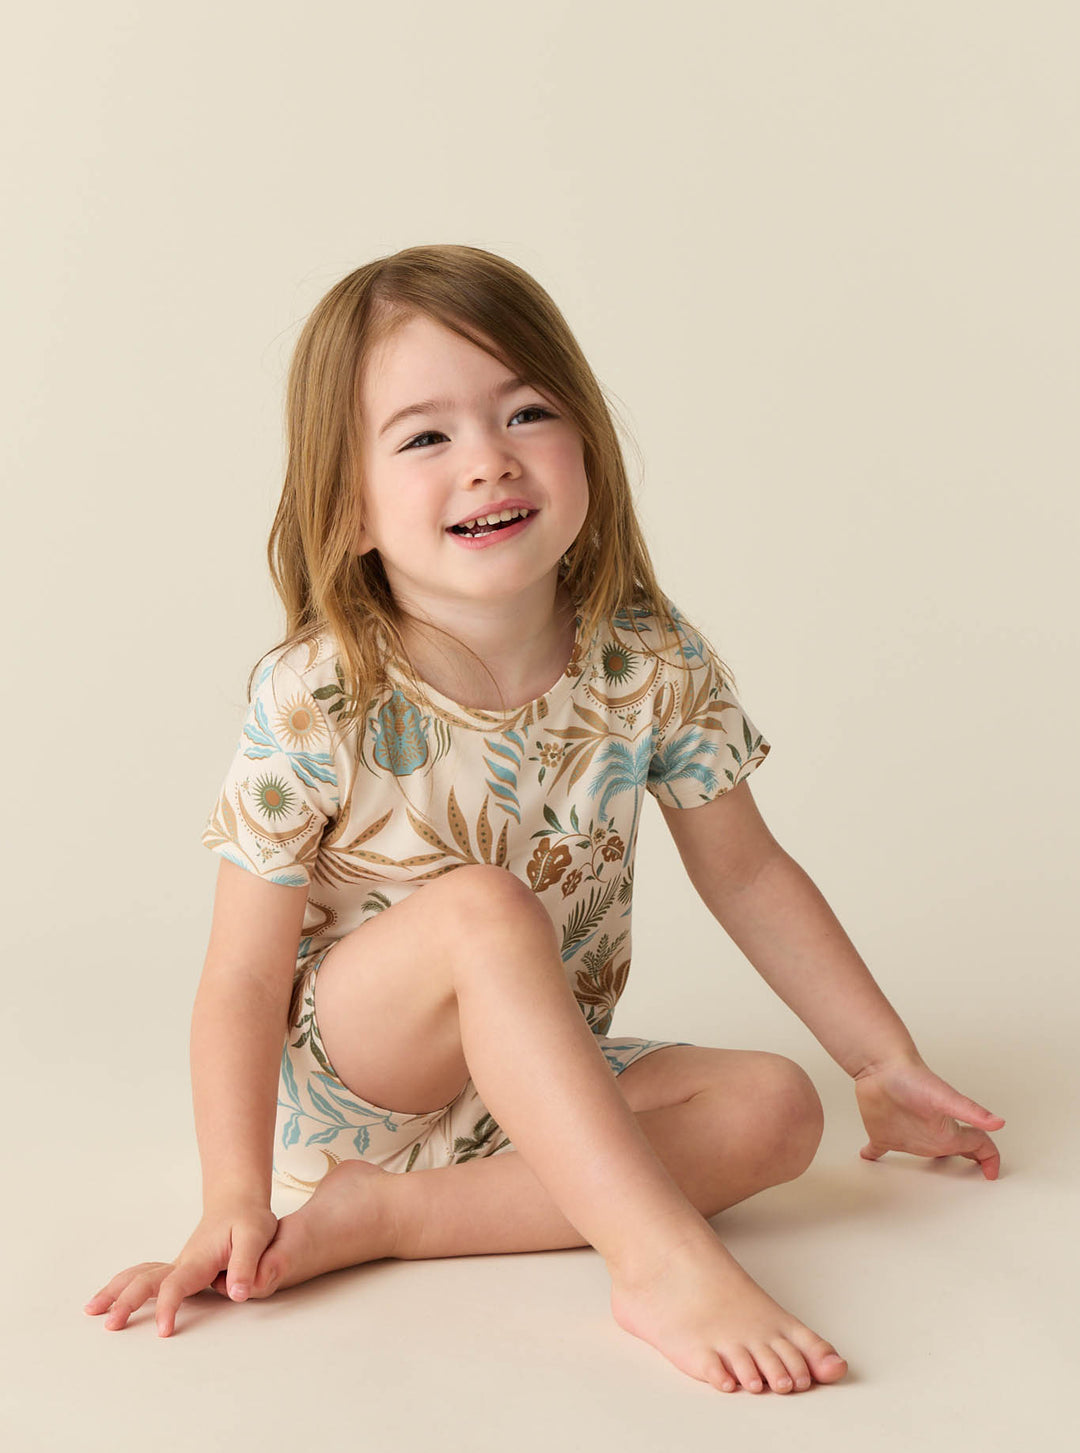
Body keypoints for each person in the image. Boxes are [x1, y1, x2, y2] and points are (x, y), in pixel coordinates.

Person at [84, 244, 1006, 1394]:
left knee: (777, 1110)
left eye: (526, 412)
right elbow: (240, 976)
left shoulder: (648, 655)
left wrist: (881, 1058)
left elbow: (750, 874)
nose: (488, 460)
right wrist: (233, 1193)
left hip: (532, 1076)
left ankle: (399, 1218)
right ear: (349, 508)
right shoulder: (319, 692)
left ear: (588, 449)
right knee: (480, 908)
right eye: (425, 437)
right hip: (363, 1077)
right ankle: (659, 1263)